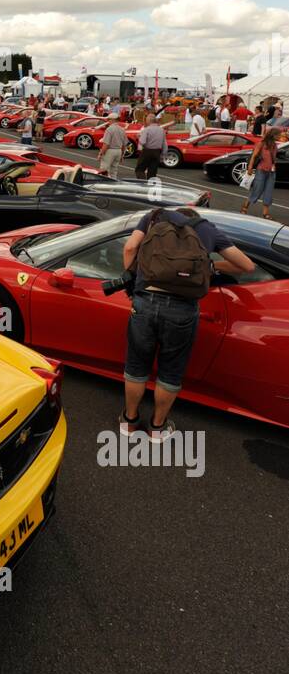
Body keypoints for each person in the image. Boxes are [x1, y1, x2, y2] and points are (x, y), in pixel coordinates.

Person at [120, 207, 254, 441]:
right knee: (170, 371)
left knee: (136, 365)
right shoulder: (206, 228)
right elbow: (247, 266)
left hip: (146, 301)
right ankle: (157, 428)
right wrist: (211, 266)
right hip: (182, 309)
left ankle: (129, 422)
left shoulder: (152, 218)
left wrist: (133, 282)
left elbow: (130, 247)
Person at [240, 129, 279, 219]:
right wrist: (250, 167)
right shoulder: (261, 143)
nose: (279, 137)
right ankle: (245, 206)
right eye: (278, 135)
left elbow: (273, 158)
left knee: (268, 192)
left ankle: (265, 213)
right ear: (273, 135)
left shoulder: (274, 145)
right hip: (261, 170)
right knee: (257, 190)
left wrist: (273, 164)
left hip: (271, 172)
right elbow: (254, 156)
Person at [134, 112, 167, 180]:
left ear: (149, 121)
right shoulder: (161, 130)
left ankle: (143, 184)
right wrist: (163, 155)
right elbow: (165, 144)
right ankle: (151, 186)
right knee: (152, 172)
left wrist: (138, 137)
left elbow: (142, 142)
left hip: (147, 151)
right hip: (157, 152)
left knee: (139, 169)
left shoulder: (147, 129)